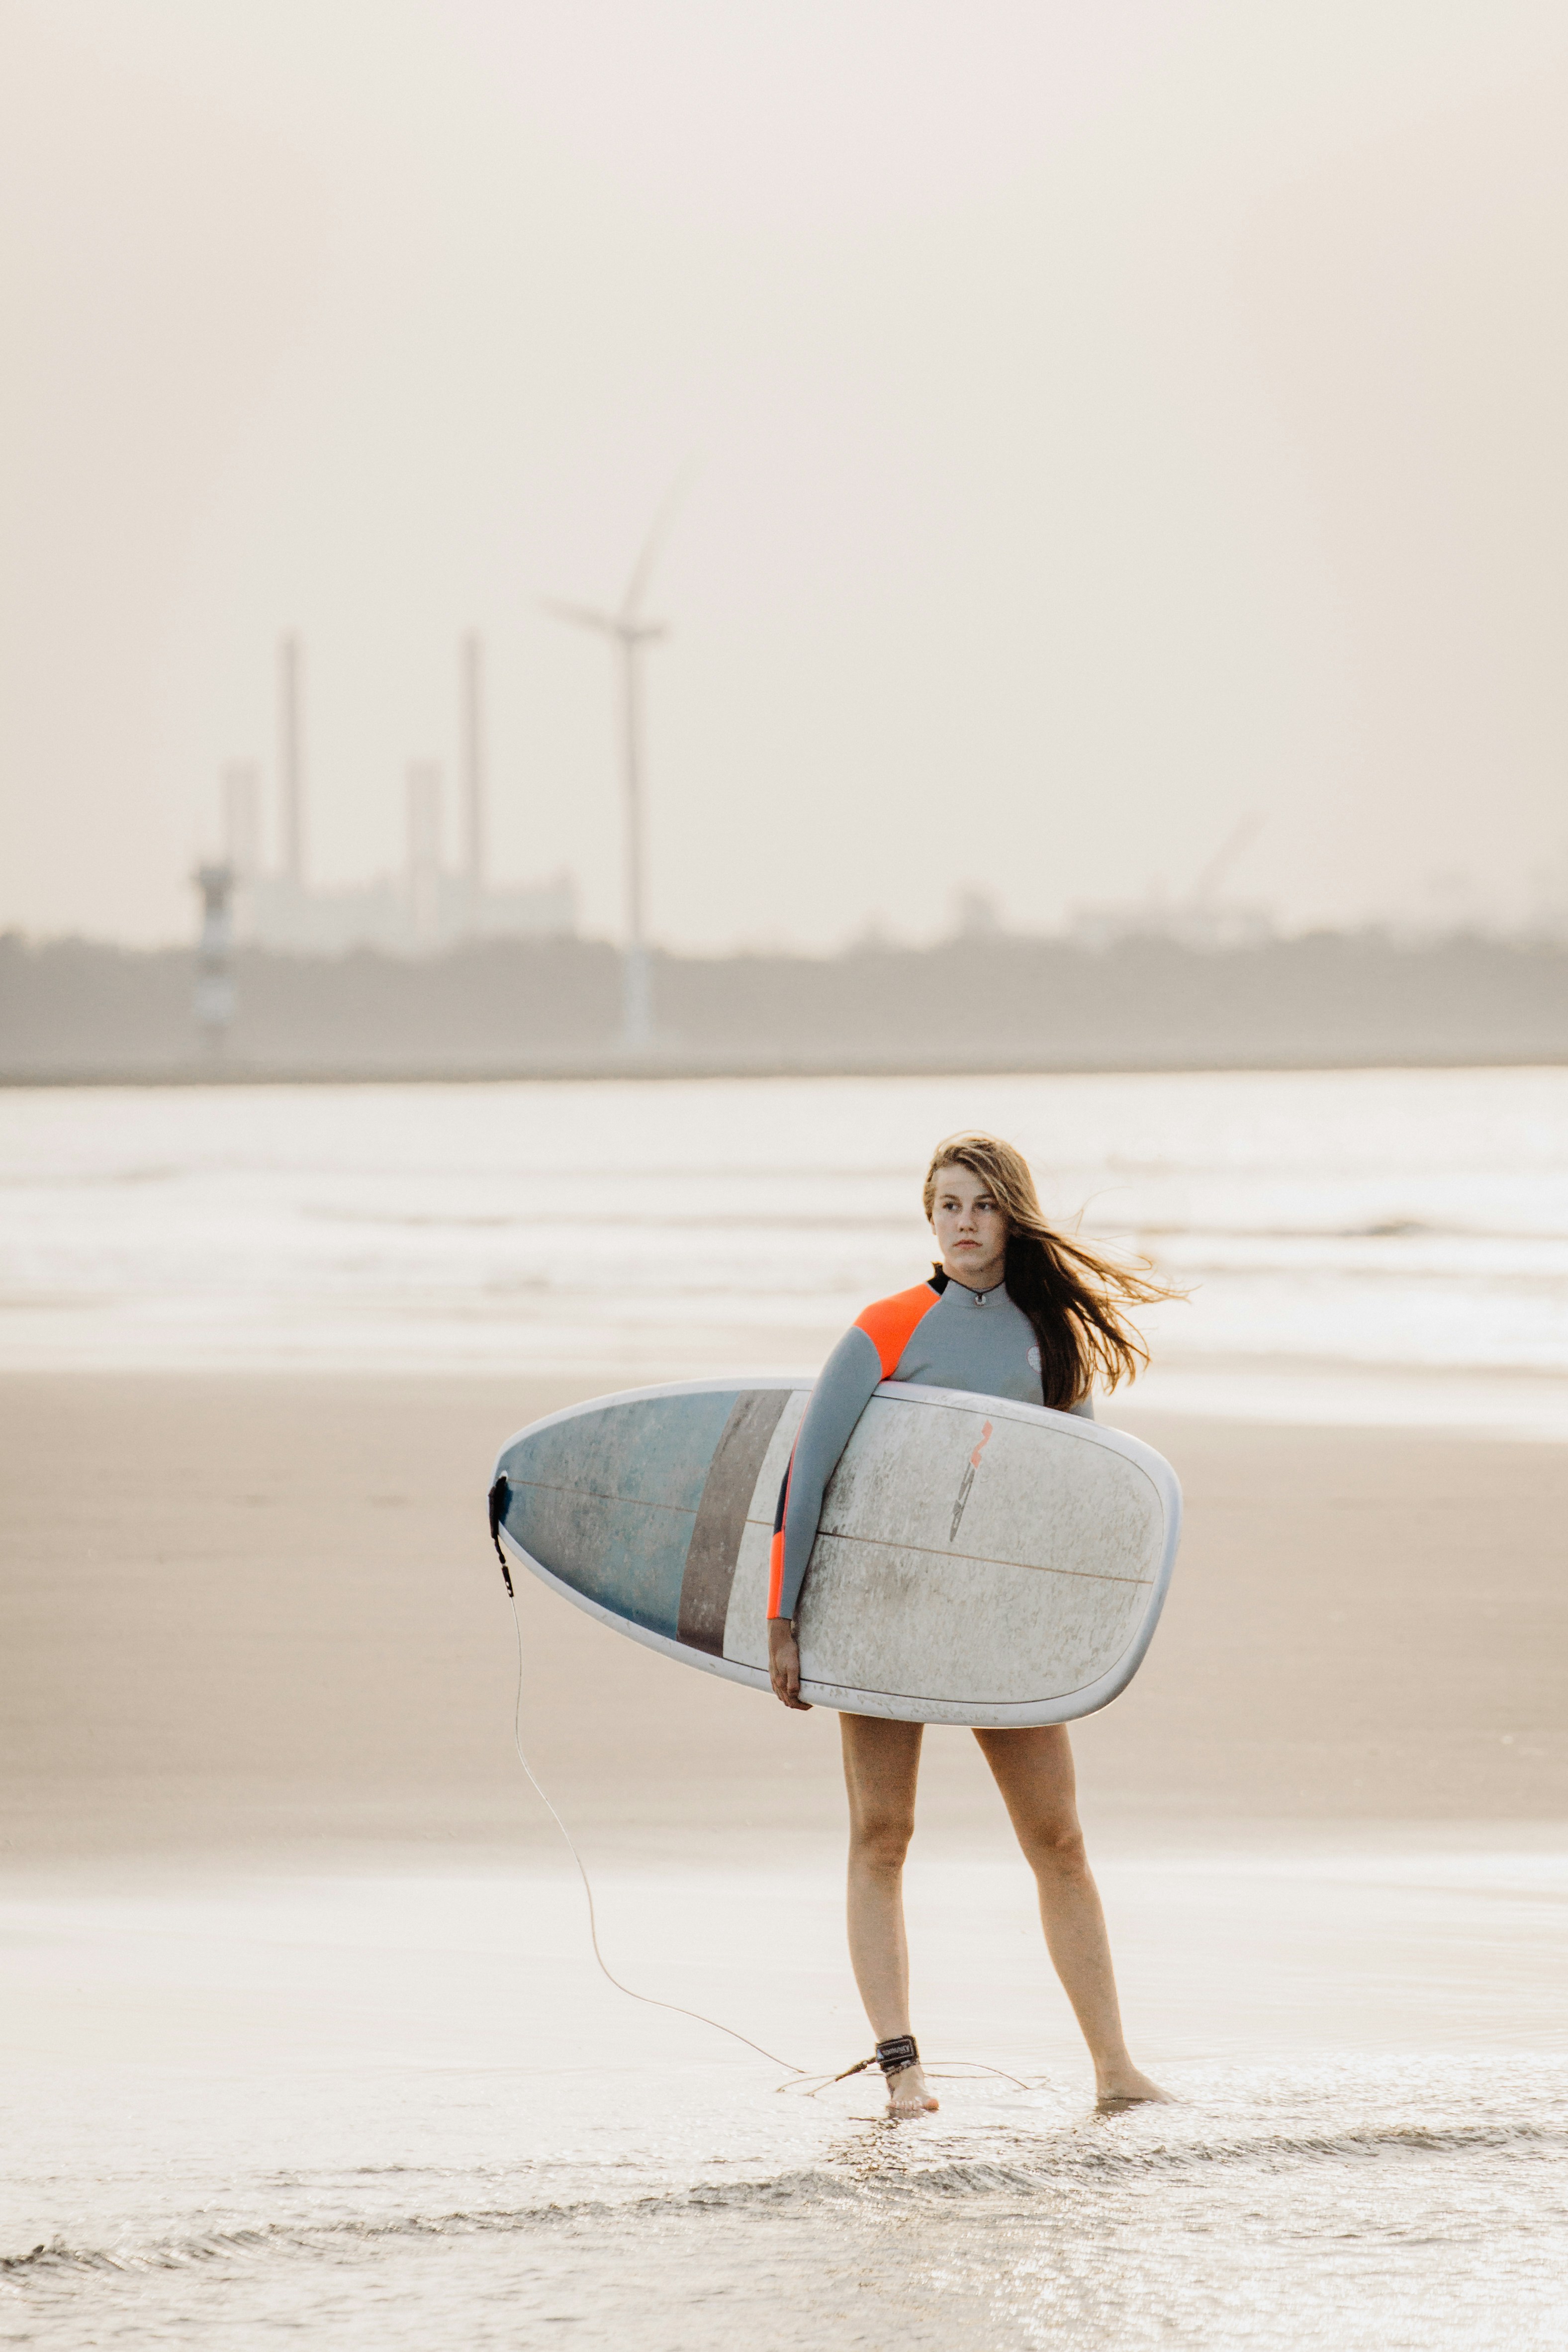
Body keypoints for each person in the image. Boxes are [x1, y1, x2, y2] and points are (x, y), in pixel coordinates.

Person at [766, 1131, 1174, 2118]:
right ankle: (902, 2070)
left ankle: (1114, 2068)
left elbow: (1072, 1493)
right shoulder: (886, 1326)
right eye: (946, 1204)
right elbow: (806, 1476)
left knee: (1058, 1837)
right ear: (927, 1217)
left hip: (996, 1621)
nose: (962, 1221)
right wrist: (784, 1621)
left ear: (1010, 1215)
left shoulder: (1050, 1339)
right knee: (882, 1832)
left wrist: (1076, 1627)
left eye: (981, 1204)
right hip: (883, 1607)